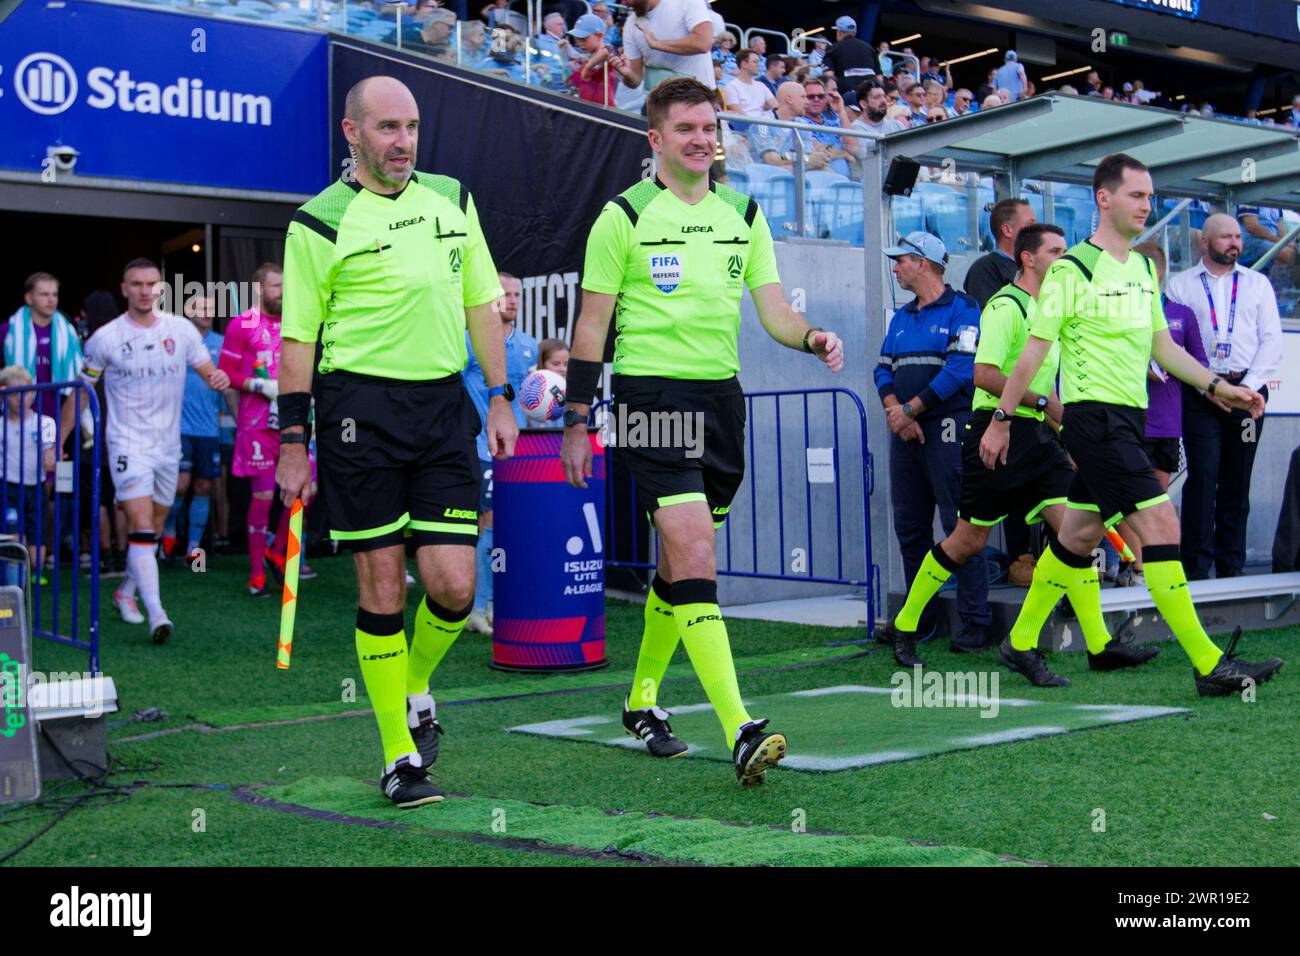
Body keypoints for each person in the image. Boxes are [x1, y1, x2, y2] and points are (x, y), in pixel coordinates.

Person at [561, 77, 843, 784]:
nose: (701, 139)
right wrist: (576, 419)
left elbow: (774, 310)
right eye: (685, 127)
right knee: (694, 549)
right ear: (655, 139)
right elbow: (591, 327)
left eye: (709, 127)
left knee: (679, 562)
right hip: (649, 399)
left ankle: (642, 702)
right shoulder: (621, 217)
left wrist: (810, 337)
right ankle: (740, 727)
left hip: (722, 404)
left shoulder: (744, 214)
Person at [277, 76, 516, 808]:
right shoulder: (316, 223)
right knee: (382, 584)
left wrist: (500, 395)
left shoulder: (455, 198)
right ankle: (398, 756)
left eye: (411, 126)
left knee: (453, 586)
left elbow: (482, 299)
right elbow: (299, 339)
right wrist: (293, 437)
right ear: (352, 134)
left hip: (445, 405)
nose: (403, 141)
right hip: (357, 410)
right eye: (386, 128)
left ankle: (414, 688)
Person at [980, 153, 1283, 695]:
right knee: (1163, 529)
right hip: (1092, 421)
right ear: (1104, 198)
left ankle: (1020, 642)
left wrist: (1218, 386)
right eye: (1137, 196)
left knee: (1077, 535)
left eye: (1149, 196)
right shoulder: (1071, 268)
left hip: (1129, 419)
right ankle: (1210, 665)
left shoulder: (1144, 268)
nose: (1147, 205)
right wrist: (1002, 419)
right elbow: (1031, 355)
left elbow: (1161, 347)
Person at [883, 224, 1159, 671]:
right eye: (1056, 250)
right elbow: (984, 375)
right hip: (996, 431)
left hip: (1036, 437)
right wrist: (1027, 411)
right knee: (966, 542)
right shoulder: (1004, 306)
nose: (1065, 257)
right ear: (1028, 258)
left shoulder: (1048, 307)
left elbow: (1044, 389)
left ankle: (1099, 645)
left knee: (1077, 534)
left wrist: (1067, 435)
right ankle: (906, 624)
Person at [62, 259, 231, 643]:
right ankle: (158, 614)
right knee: (141, 527)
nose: (144, 290)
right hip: (127, 444)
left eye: (151, 284)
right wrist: (57, 441)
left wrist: (218, 378)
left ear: (160, 289)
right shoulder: (104, 338)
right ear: (124, 288)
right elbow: (81, 393)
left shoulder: (182, 330)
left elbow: (209, 372)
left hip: (168, 446)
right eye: (136, 283)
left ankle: (125, 592)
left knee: (152, 530)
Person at [875, 231, 992, 657]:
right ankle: (919, 621)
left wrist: (909, 411)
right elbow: (881, 369)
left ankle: (976, 623)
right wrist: (898, 413)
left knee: (960, 527)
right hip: (908, 433)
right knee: (910, 528)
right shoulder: (903, 317)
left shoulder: (964, 309)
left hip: (948, 429)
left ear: (923, 263)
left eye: (900, 260)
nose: (895, 267)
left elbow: (961, 370)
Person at [1166, 213, 1283, 580]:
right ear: (1205, 242)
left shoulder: (1258, 284)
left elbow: (1272, 341)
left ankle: (1231, 566)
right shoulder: (1180, 285)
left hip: (1248, 399)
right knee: (1202, 475)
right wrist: (1208, 386)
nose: (1235, 243)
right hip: (1200, 397)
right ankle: (1196, 568)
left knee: (1238, 478)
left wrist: (1245, 388)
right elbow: (1172, 345)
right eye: (1226, 237)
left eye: (1237, 236)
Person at [1111, 241, 1208, 584]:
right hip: (1125, 420)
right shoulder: (1116, 312)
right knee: (1127, 500)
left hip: (1166, 424)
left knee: (1154, 501)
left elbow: (1199, 365)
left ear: (1162, 271)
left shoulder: (1181, 314)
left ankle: (1146, 568)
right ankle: (1137, 567)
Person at [221, 263, 317, 597]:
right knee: (263, 496)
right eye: (277, 287)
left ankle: (277, 550)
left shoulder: (298, 321)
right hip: (258, 423)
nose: (285, 293)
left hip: (298, 422)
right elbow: (225, 373)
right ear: (259, 289)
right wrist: (259, 384)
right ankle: (257, 573)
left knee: (306, 491)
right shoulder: (241, 324)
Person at [462, 272, 535, 635]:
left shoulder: (528, 345)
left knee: (509, 530)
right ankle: (479, 608)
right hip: (482, 449)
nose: (512, 299)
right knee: (488, 527)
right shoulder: (468, 342)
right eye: (504, 293)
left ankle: (498, 602)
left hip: (519, 455)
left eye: (516, 294)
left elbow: (532, 400)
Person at [161, 294, 225, 565]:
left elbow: (227, 385)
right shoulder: (177, 341)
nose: (207, 313)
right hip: (180, 428)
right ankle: (168, 531)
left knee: (204, 485)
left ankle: (193, 548)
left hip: (209, 429)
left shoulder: (221, 344)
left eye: (211, 308)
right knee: (179, 486)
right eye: (201, 308)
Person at [1, 366, 56, 576]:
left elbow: (49, 457)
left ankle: (30, 575)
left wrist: (49, 456)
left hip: (36, 488)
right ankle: (16, 590)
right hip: (9, 487)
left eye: (26, 390)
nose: (21, 397)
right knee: (14, 540)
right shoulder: (0, 425)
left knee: (36, 556)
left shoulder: (44, 423)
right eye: (14, 392)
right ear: (4, 394)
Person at [612, 0, 714, 92]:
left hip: (695, 98)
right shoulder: (631, 23)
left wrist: (656, 44)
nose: (623, 3)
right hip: (656, 101)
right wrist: (628, 75)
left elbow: (703, 43)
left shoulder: (686, 2)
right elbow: (635, 80)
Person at [965, 198, 1035, 307]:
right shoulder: (984, 269)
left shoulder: (1035, 267)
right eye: (1030, 225)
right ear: (1007, 230)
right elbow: (990, 318)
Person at [748, 81, 827, 171]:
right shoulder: (762, 123)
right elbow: (772, 159)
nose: (807, 102)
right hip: (765, 179)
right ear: (789, 100)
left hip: (795, 175)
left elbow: (809, 156)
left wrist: (818, 158)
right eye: (803, 97)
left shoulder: (802, 125)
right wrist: (804, 159)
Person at [800, 77, 855, 177]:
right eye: (811, 96)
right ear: (803, 99)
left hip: (845, 184)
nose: (817, 99)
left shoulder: (832, 123)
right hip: (820, 183)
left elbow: (853, 147)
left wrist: (841, 111)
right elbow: (818, 151)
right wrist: (843, 153)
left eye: (821, 96)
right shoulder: (800, 122)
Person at [567, 12, 617, 105]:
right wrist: (563, 53)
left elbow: (608, 50)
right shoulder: (585, 59)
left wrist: (588, 67)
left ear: (600, 36)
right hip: (586, 109)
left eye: (584, 39)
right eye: (576, 39)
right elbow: (568, 82)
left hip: (604, 111)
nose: (579, 43)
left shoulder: (604, 53)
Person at [821, 15, 879, 83]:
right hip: (870, 89)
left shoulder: (833, 48)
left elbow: (828, 75)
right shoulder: (869, 48)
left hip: (846, 89)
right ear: (854, 33)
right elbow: (879, 76)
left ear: (839, 32)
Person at [1237, 204, 1296, 269]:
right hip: (1253, 240)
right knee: (1286, 253)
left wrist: (1289, 243)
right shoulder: (1250, 196)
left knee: (1293, 251)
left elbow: (1282, 229)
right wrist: (1280, 242)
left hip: (1271, 242)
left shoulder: (1276, 201)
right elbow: (1252, 227)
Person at [723, 48, 775, 117]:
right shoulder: (732, 87)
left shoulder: (761, 86)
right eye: (755, 62)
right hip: (745, 126)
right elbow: (738, 114)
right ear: (744, 64)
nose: (758, 65)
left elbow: (775, 106)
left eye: (759, 62)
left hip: (764, 125)